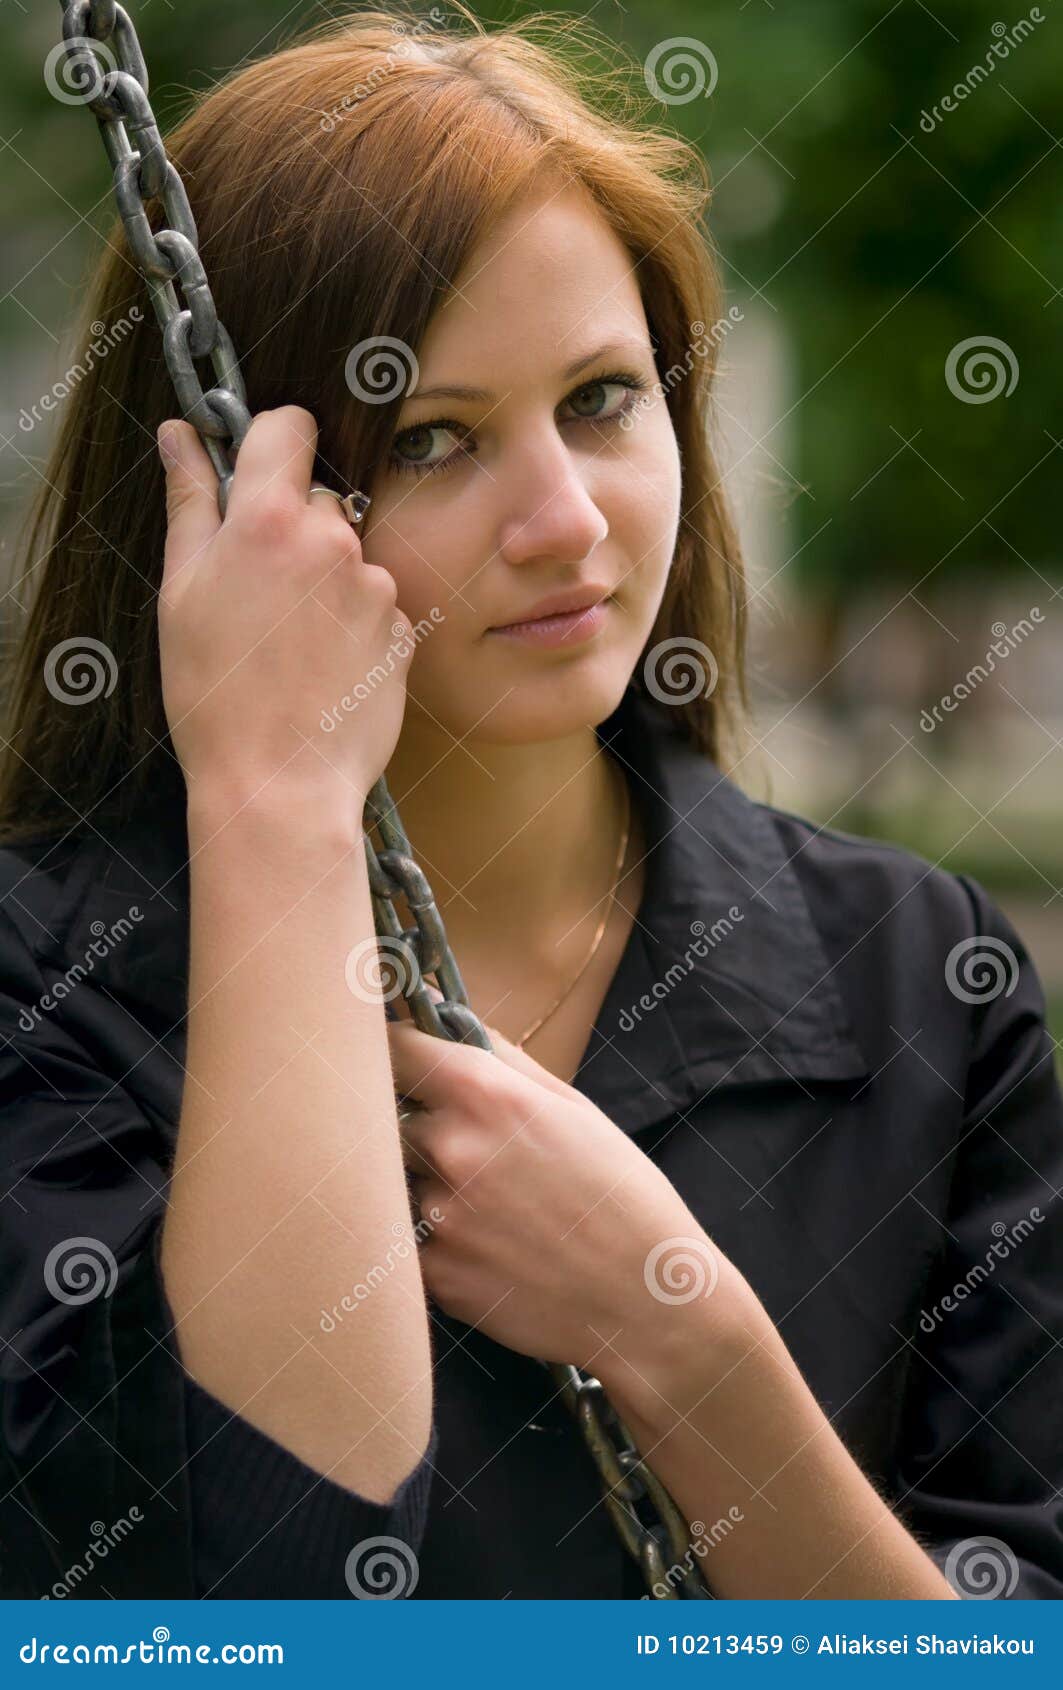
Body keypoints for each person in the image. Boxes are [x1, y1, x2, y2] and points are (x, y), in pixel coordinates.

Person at [1, 8, 1060, 1602]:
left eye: (601, 400)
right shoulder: (48, 990)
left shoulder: (921, 980)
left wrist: (677, 1331)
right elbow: (265, 1603)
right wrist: (277, 794)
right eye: (436, 438)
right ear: (237, 505)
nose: (565, 520)